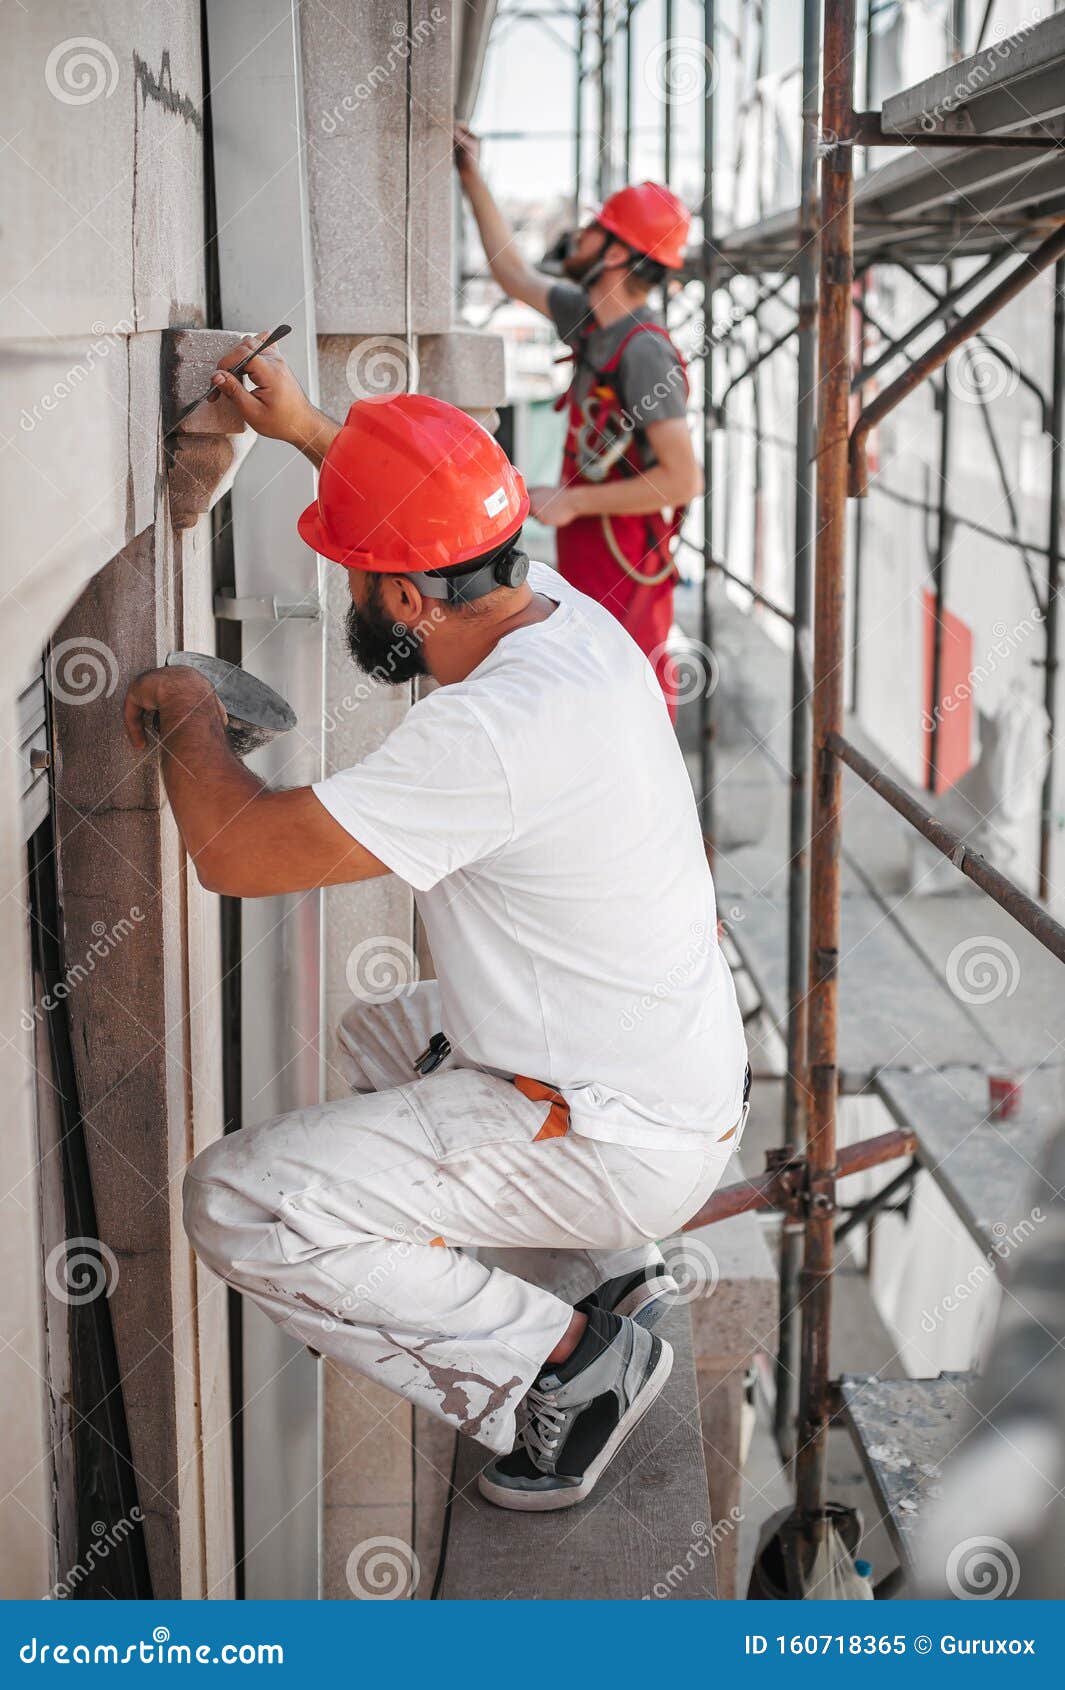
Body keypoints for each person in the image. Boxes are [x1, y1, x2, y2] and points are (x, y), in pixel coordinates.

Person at [124, 338, 748, 1511]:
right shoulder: (560, 612)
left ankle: (566, 1367)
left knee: (240, 1199)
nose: (350, 593)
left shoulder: (493, 733)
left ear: (406, 599)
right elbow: (436, 518)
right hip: (667, 1067)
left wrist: (188, 713)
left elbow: (238, 853)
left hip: (613, 1126)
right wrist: (313, 436)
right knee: (377, 1038)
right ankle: (607, 1267)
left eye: (357, 575)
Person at [455, 124, 700, 719]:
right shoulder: (589, 318)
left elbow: (682, 480)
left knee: (627, 705)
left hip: (627, 568)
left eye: (594, 230)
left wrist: (574, 502)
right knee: (591, 693)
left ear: (616, 253)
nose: (577, 238)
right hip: (592, 556)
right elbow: (513, 274)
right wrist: (470, 174)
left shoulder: (644, 352)